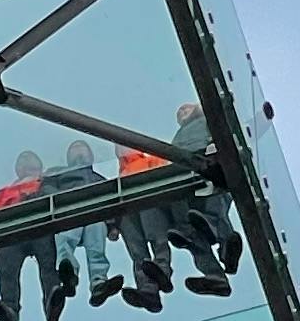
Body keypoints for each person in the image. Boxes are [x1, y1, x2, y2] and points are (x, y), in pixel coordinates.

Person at [0, 148, 73, 321]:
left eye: (30, 160)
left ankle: (52, 300)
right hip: (13, 232)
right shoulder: (5, 191)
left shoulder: (46, 182)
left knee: (48, 263)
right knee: (6, 267)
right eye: (23, 161)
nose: (26, 163)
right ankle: (10, 309)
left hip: (40, 227)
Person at [164, 99, 240, 295]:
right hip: (187, 175)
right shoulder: (179, 135)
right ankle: (216, 276)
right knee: (193, 231)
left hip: (207, 165)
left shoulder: (206, 120)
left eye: (186, 108)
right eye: (179, 113)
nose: (181, 111)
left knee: (214, 207)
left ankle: (226, 246)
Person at [47, 136, 121, 307]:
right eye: (75, 148)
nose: (79, 151)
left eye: (82, 148)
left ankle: (99, 282)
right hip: (69, 213)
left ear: (91, 156)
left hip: (94, 216)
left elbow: (110, 201)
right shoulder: (59, 175)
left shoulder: (98, 179)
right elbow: (47, 188)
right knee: (67, 235)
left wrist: (112, 226)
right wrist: (58, 201)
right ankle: (68, 273)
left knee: (96, 239)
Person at [112, 129, 175, 309]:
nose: (123, 150)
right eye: (120, 147)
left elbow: (166, 175)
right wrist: (114, 224)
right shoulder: (121, 174)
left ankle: (162, 272)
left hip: (150, 201)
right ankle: (147, 290)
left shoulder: (151, 160)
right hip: (128, 211)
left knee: (158, 240)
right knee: (137, 252)